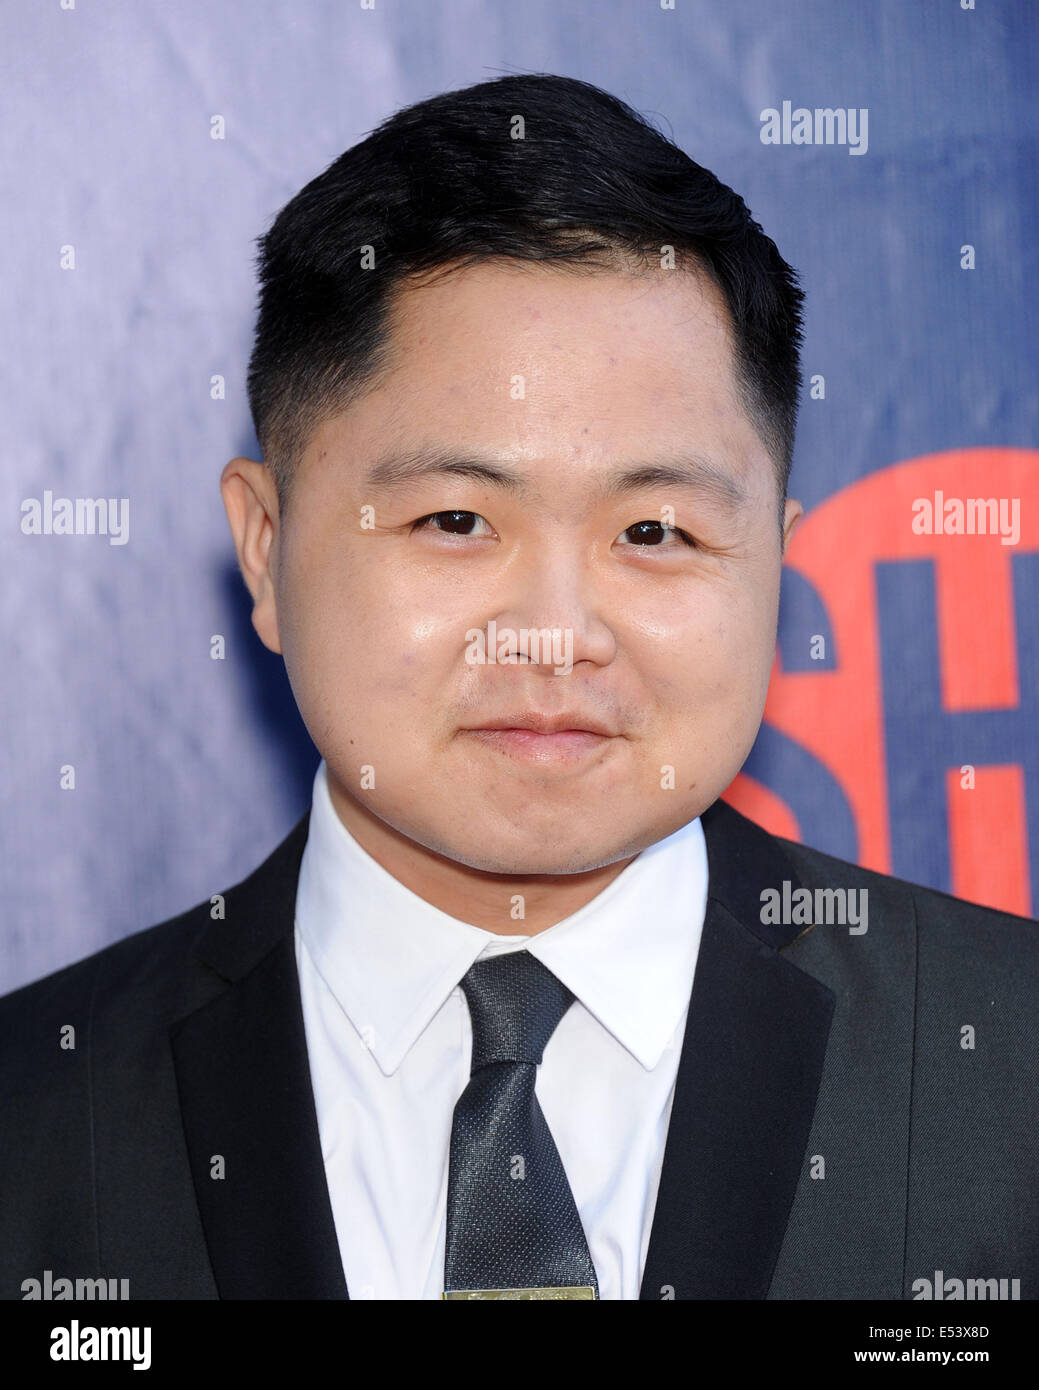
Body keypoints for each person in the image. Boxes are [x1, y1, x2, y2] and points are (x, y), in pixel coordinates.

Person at [2, 73, 1036, 1303]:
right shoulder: (35, 1113)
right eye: (454, 518)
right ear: (267, 546)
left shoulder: (1005, 1068)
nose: (555, 637)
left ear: (773, 562)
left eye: (654, 533)